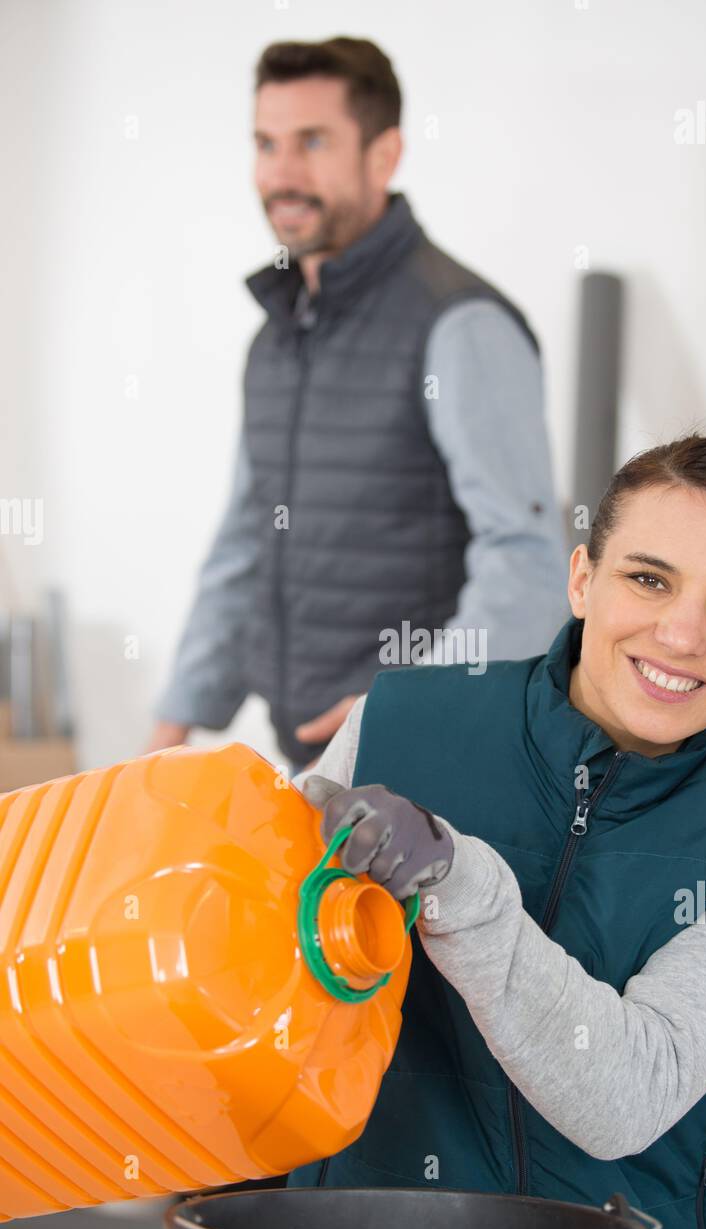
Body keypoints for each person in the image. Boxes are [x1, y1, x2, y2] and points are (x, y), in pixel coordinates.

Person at [285, 432, 706, 1229]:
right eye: (649, 578)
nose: (682, 634)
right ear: (583, 578)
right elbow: (266, 953)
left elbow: (623, 1098)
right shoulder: (406, 717)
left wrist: (457, 885)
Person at [148, 37, 569, 772]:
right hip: (314, 768)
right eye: (266, 143)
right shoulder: (277, 338)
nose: (281, 173)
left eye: (312, 142)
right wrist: (163, 737)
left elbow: (528, 564)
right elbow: (245, 543)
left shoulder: (461, 324)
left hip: (429, 769)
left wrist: (402, 712)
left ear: (385, 154)